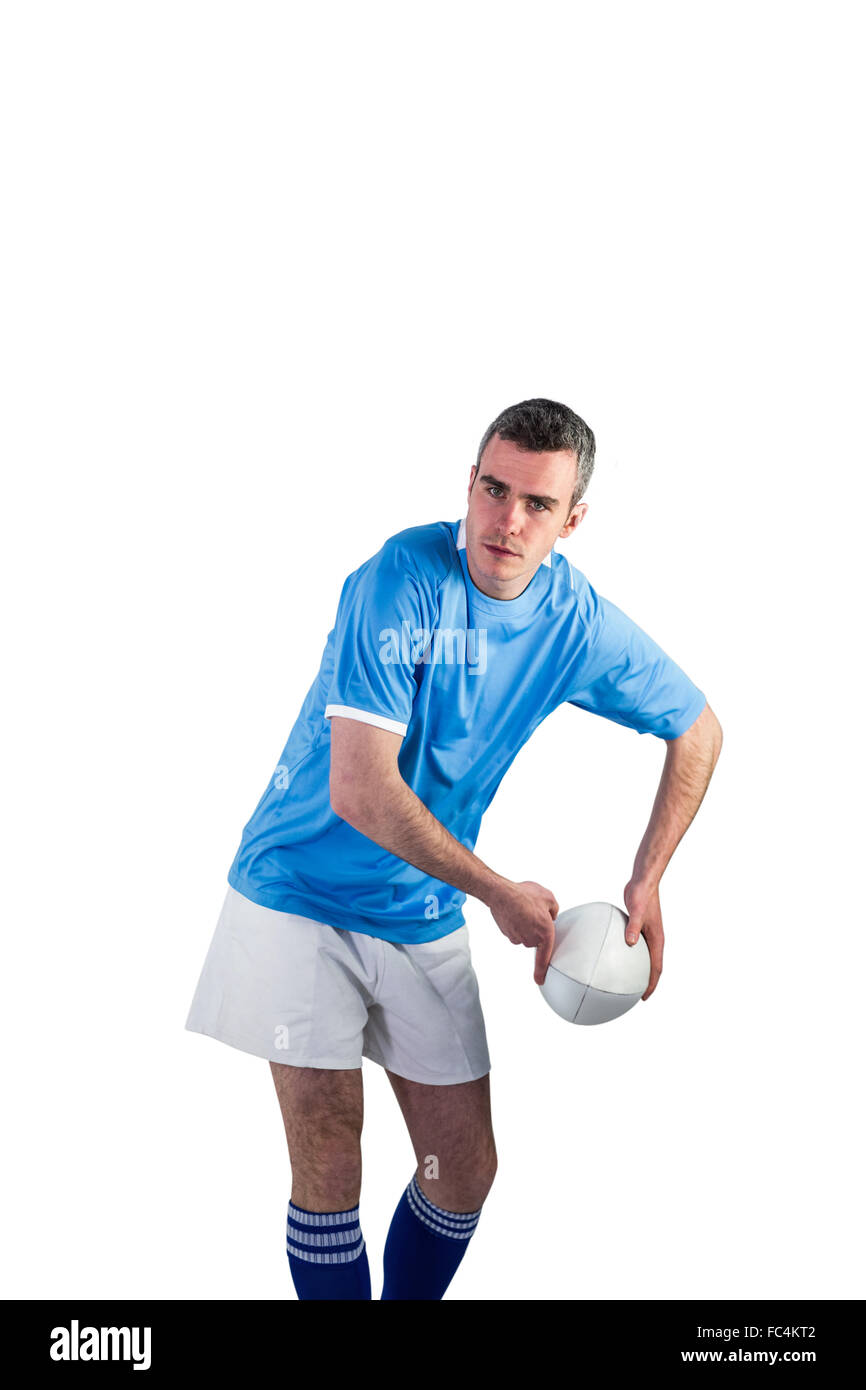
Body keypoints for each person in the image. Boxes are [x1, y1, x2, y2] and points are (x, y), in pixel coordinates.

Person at [184, 396, 723, 1301]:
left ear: (573, 521)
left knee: (462, 1169)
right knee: (329, 1155)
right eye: (493, 489)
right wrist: (498, 893)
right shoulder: (401, 580)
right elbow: (359, 788)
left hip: (418, 905)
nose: (508, 521)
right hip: (298, 894)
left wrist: (649, 876)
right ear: (469, 484)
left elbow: (699, 729)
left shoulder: (578, 623)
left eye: (538, 504)